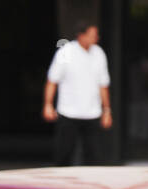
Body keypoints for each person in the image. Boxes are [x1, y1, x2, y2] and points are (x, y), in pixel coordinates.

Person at [43, 21, 112, 166]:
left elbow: (103, 85)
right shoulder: (65, 52)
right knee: (64, 154)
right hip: (69, 112)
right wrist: (48, 105)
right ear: (81, 35)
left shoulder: (99, 53)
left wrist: (106, 110)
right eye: (92, 35)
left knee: (94, 156)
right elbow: (52, 80)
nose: (96, 38)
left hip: (92, 112)